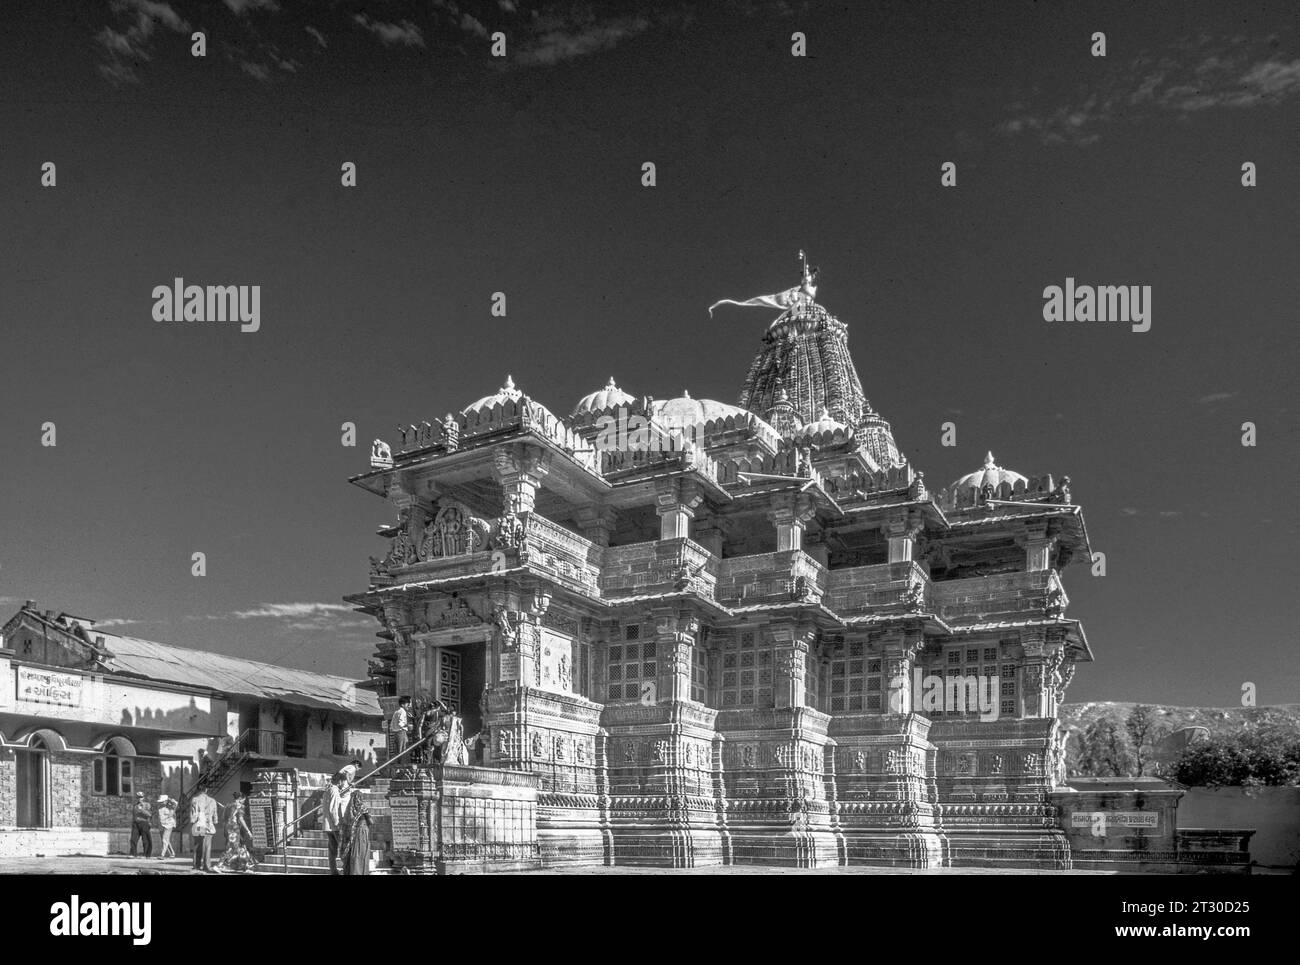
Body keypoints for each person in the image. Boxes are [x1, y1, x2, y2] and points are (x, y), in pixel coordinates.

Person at [215, 791, 258, 873]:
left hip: (227, 828)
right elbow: (241, 819)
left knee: (240, 847)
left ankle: (247, 865)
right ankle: (219, 865)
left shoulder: (228, 805)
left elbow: (224, 818)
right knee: (231, 848)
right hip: (235, 829)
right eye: (243, 800)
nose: (244, 801)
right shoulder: (240, 806)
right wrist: (248, 831)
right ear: (240, 798)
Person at [338, 789, 373, 876]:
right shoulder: (363, 808)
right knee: (360, 855)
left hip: (351, 837)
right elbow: (371, 822)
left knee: (352, 856)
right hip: (361, 834)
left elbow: (345, 824)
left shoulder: (348, 810)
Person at [189, 786, 218, 872]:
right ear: (206, 790)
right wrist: (215, 820)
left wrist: (193, 820)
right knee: (207, 846)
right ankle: (207, 865)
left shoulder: (195, 799)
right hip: (209, 826)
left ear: (198, 790)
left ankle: (196, 865)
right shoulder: (212, 800)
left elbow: (192, 814)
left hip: (199, 825)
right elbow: (215, 816)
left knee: (197, 845)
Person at [321, 774, 345, 875]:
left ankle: (333, 871)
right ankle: (346, 869)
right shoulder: (334, 790)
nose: (343, 784)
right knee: (343, 847)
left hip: (328, 825)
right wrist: (337, 824)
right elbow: (333, 809)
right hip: (334, 825)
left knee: (332, 850)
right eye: (343, 782)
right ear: (339, 781)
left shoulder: (327, 790)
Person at [129, 792, 153, 858]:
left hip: (144, 823)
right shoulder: (135, 805)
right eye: (138, 797)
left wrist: (142, 810)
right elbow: (134, 815)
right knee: (133, 839)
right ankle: (133, 854)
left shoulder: (147, 805)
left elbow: (150, 814)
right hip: (136, 824)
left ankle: (147, 854)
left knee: (145, 840)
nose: (139, 799)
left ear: (143, 797)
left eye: (141, 797)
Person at [156, 795, 177, 859]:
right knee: (166, 840)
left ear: (166, 801)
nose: (161, 803)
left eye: (162, 801)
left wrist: (170, 799)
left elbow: (176, 803)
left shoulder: (171, 806)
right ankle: (172, 853)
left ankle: (162, 855)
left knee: (164, 839)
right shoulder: (159, 807)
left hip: (169, 824)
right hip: (162, 824)